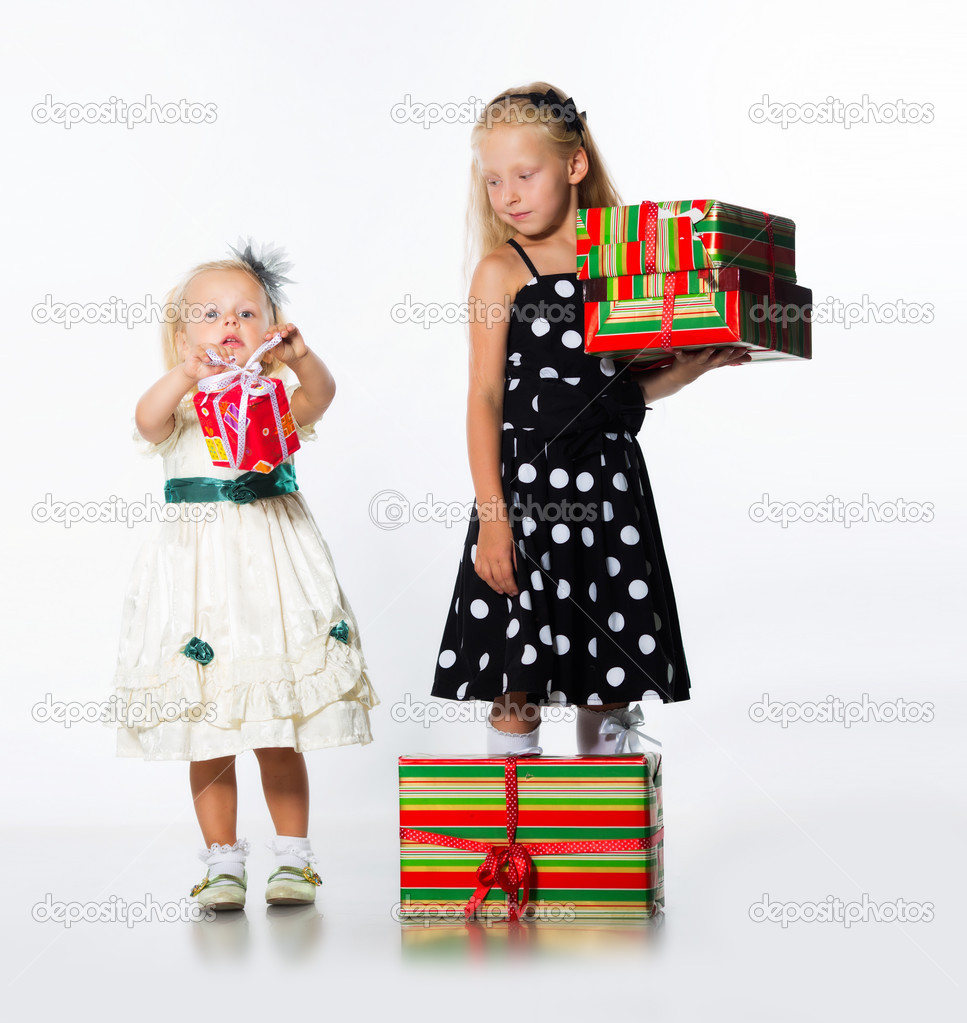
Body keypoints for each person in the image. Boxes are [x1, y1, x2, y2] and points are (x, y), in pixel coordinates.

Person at [431, 84, 749, 755]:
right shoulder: (500, 271)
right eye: (493, 180)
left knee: (609, 678)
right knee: (515, 683)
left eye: (524, 174)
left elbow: (613, 395)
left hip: (608, 490)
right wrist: (493, 516)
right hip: (525, 495)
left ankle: (603, 848)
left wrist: (693, 366)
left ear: (573, 166)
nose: (508, 194)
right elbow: (485, 397)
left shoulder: (624, 264)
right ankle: (515, 843)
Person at [111, 241, 379, 910]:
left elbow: (322, 395)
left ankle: (294, 858)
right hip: (201, 580)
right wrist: (183, 374)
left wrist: (300, 358)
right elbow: (145, 422)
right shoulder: (182, 404)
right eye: (208, 314)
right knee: (211, 728)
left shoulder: (269, 400)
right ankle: (222, 860)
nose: (227, 324)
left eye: (245, 313)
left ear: (269, 328)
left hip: (272, 573)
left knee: (274, 726)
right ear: (181, 334)